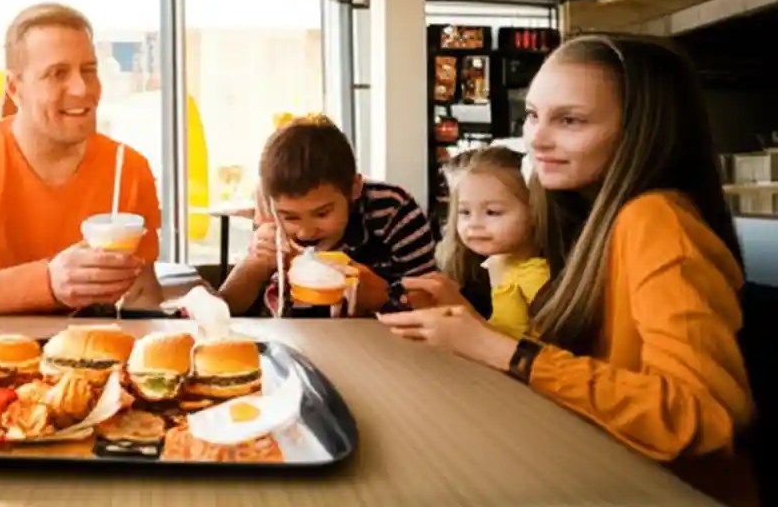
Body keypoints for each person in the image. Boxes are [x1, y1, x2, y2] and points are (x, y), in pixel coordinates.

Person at [379, 34, 755, 505]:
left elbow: (699, 417)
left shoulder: (658, 220)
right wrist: (470, 325)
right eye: (534, 114)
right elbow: (589, 370)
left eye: (570, 120)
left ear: (640, 132)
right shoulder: (592, 218)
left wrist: (507, 353)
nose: (535, 138)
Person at [0, 3, 163, 317]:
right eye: (57, 73)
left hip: (93, 357)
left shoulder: (128, 167)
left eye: (89, 70)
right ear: (14, 87)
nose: (82, 88)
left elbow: (142, 293)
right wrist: (48, 282)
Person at [217, 115, 438, 317]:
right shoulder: (272, 216)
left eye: (322, 213)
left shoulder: (391, 210)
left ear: (354, 189)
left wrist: (382, 296)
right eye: (291, 218)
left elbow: (436, 305)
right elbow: (225, 310)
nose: (306, 232)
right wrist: (256, 264)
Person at [437, 145, 548, 338]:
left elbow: (511, 347)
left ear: (534, 211)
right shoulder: (471, 268)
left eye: (492, 212)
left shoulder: (538, 279)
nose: (474, 224)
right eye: (465, 212)